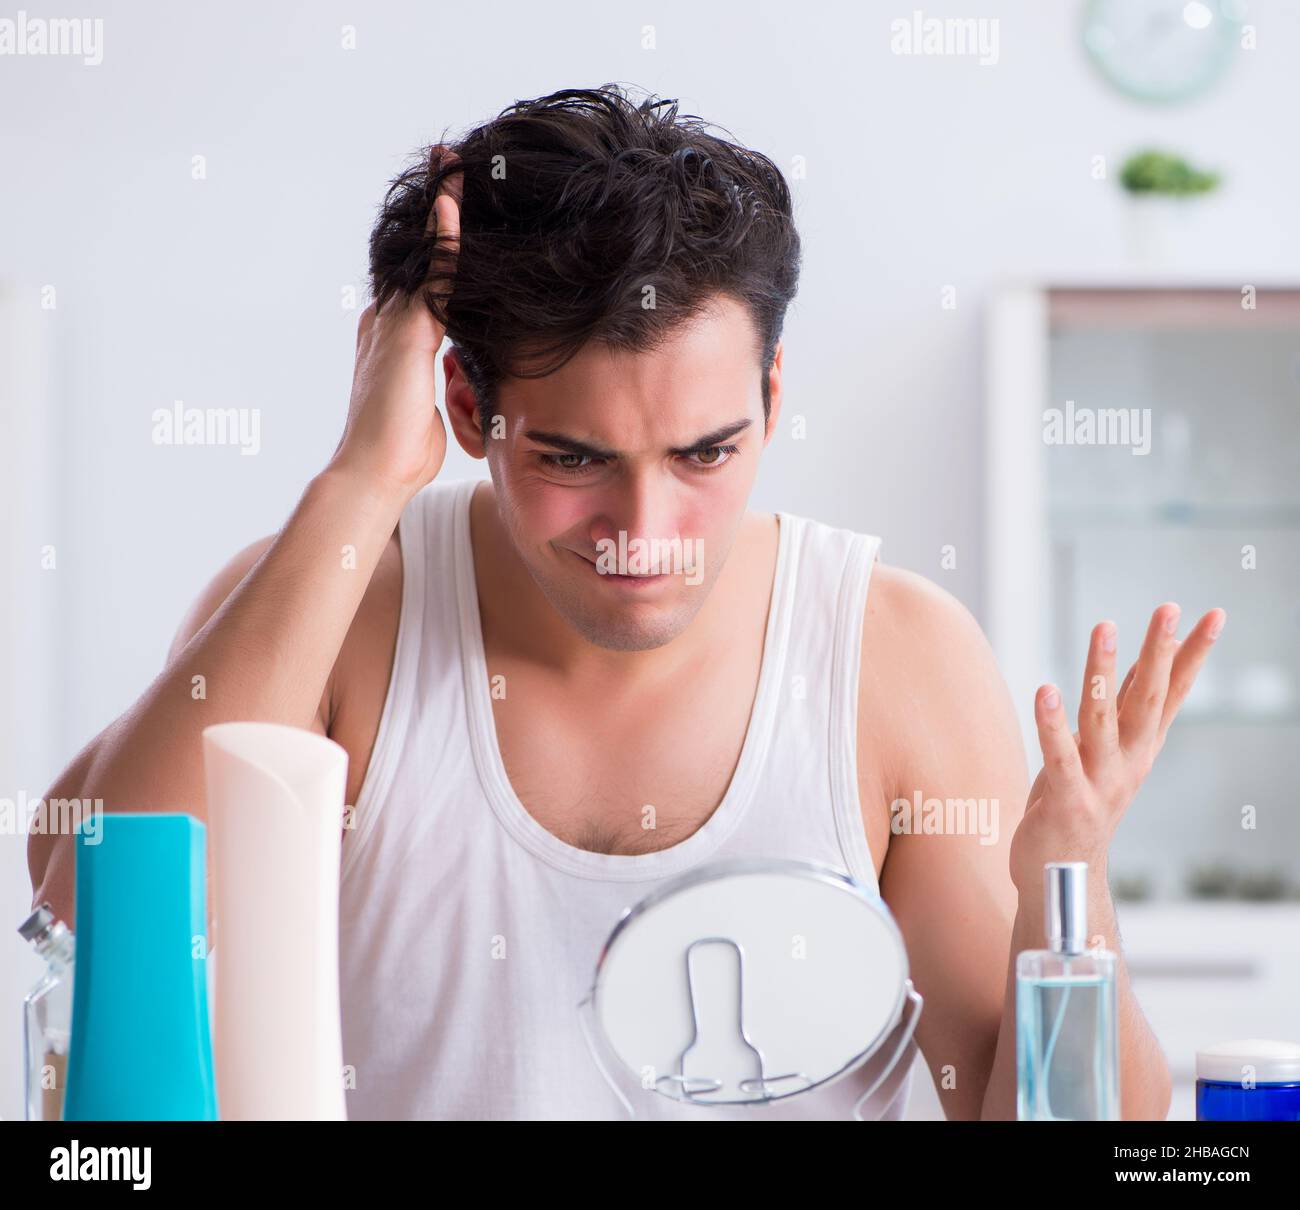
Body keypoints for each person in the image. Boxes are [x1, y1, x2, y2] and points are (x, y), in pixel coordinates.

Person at [28, 84, 1224, 1120]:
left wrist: (1071, 884)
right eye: (571, 459)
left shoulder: (890, 654)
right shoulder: (339, 605)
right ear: (460, 406)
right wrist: (360, 480)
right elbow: (86, 912)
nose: (644, 536)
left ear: (770, 391)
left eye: (705, 454)